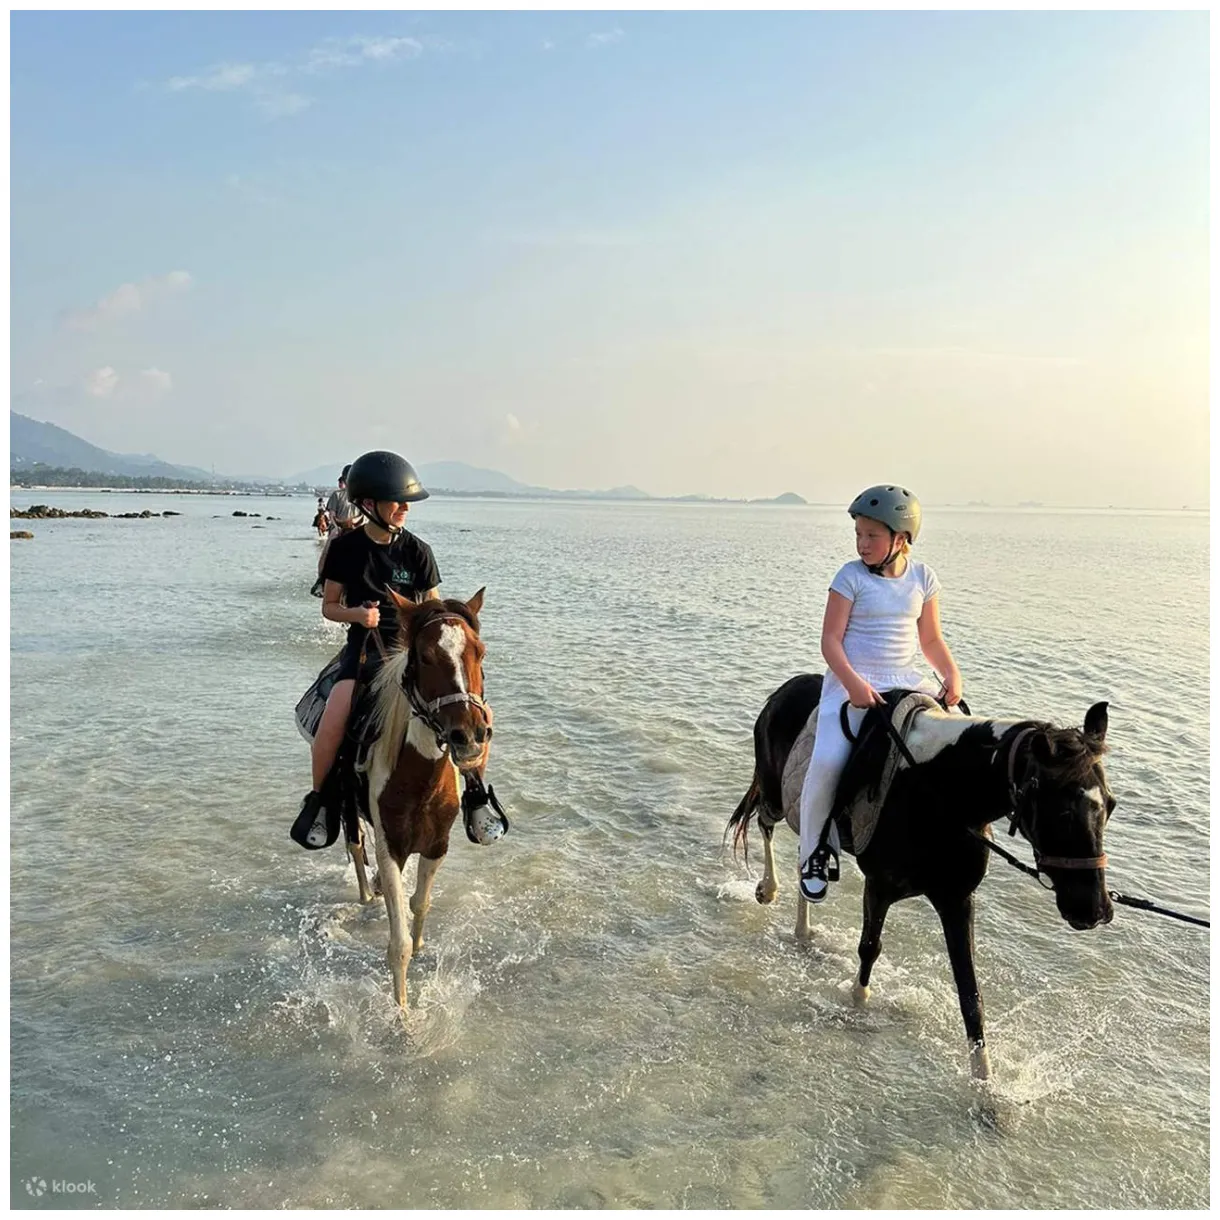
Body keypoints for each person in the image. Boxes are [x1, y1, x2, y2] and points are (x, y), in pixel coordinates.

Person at [291, 449, 509, 850]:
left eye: (407, 501)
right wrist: (357, 615)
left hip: (413, 658)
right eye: (397, 501)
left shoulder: (418, 552)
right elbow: (329, 605)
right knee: (335, 717)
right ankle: (321, 801)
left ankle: (475, 792)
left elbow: (435, 609)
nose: (405, 508)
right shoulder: (346, 550)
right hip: (364, 655)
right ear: (369, 504)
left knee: (479, 712)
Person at [797, 485, 962, 903]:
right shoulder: (849, 577)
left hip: (905, 677)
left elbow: (931, 641)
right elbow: (830, 641)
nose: (862, 544)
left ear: (901, 539)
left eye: (872, 535)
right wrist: (852, 683)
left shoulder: (923, 579)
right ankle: (813, 851)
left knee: (960, 738)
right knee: (829, 760)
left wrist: (951, 674)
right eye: (858, 534)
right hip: (851, 680)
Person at [311, 465, 365, 595]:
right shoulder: (337, 495)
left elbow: (364, 514)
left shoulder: (361, 496)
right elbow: (332, 515)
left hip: (356, 527)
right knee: (329, 547)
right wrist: (338, 526)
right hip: (338, 528)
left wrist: (354, 523)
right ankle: (321, 579)